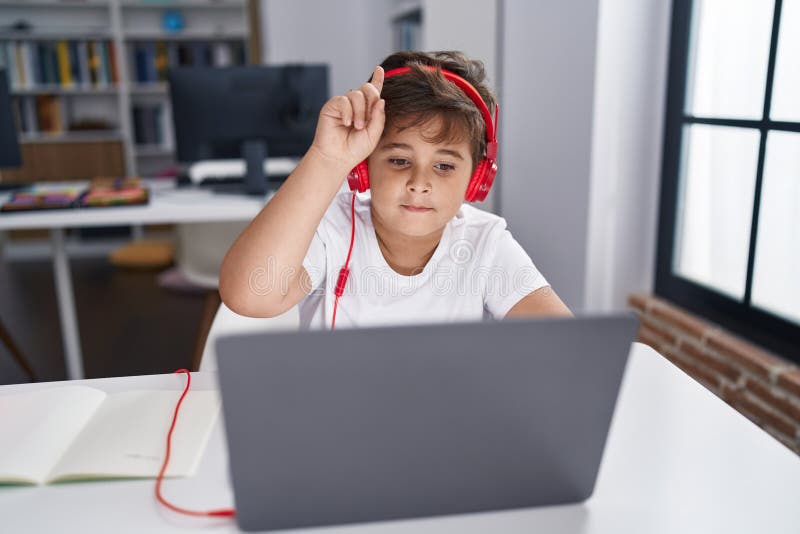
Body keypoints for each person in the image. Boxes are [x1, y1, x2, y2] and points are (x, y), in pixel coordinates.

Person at [219, 50, 572, 330]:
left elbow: (567, 344)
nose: (420, 183)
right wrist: (327, 159)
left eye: (444, 166)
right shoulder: (332, 230)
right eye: (400, 161)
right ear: (364, 167)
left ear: (477, 178)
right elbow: (248, 296)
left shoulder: (486, 244)